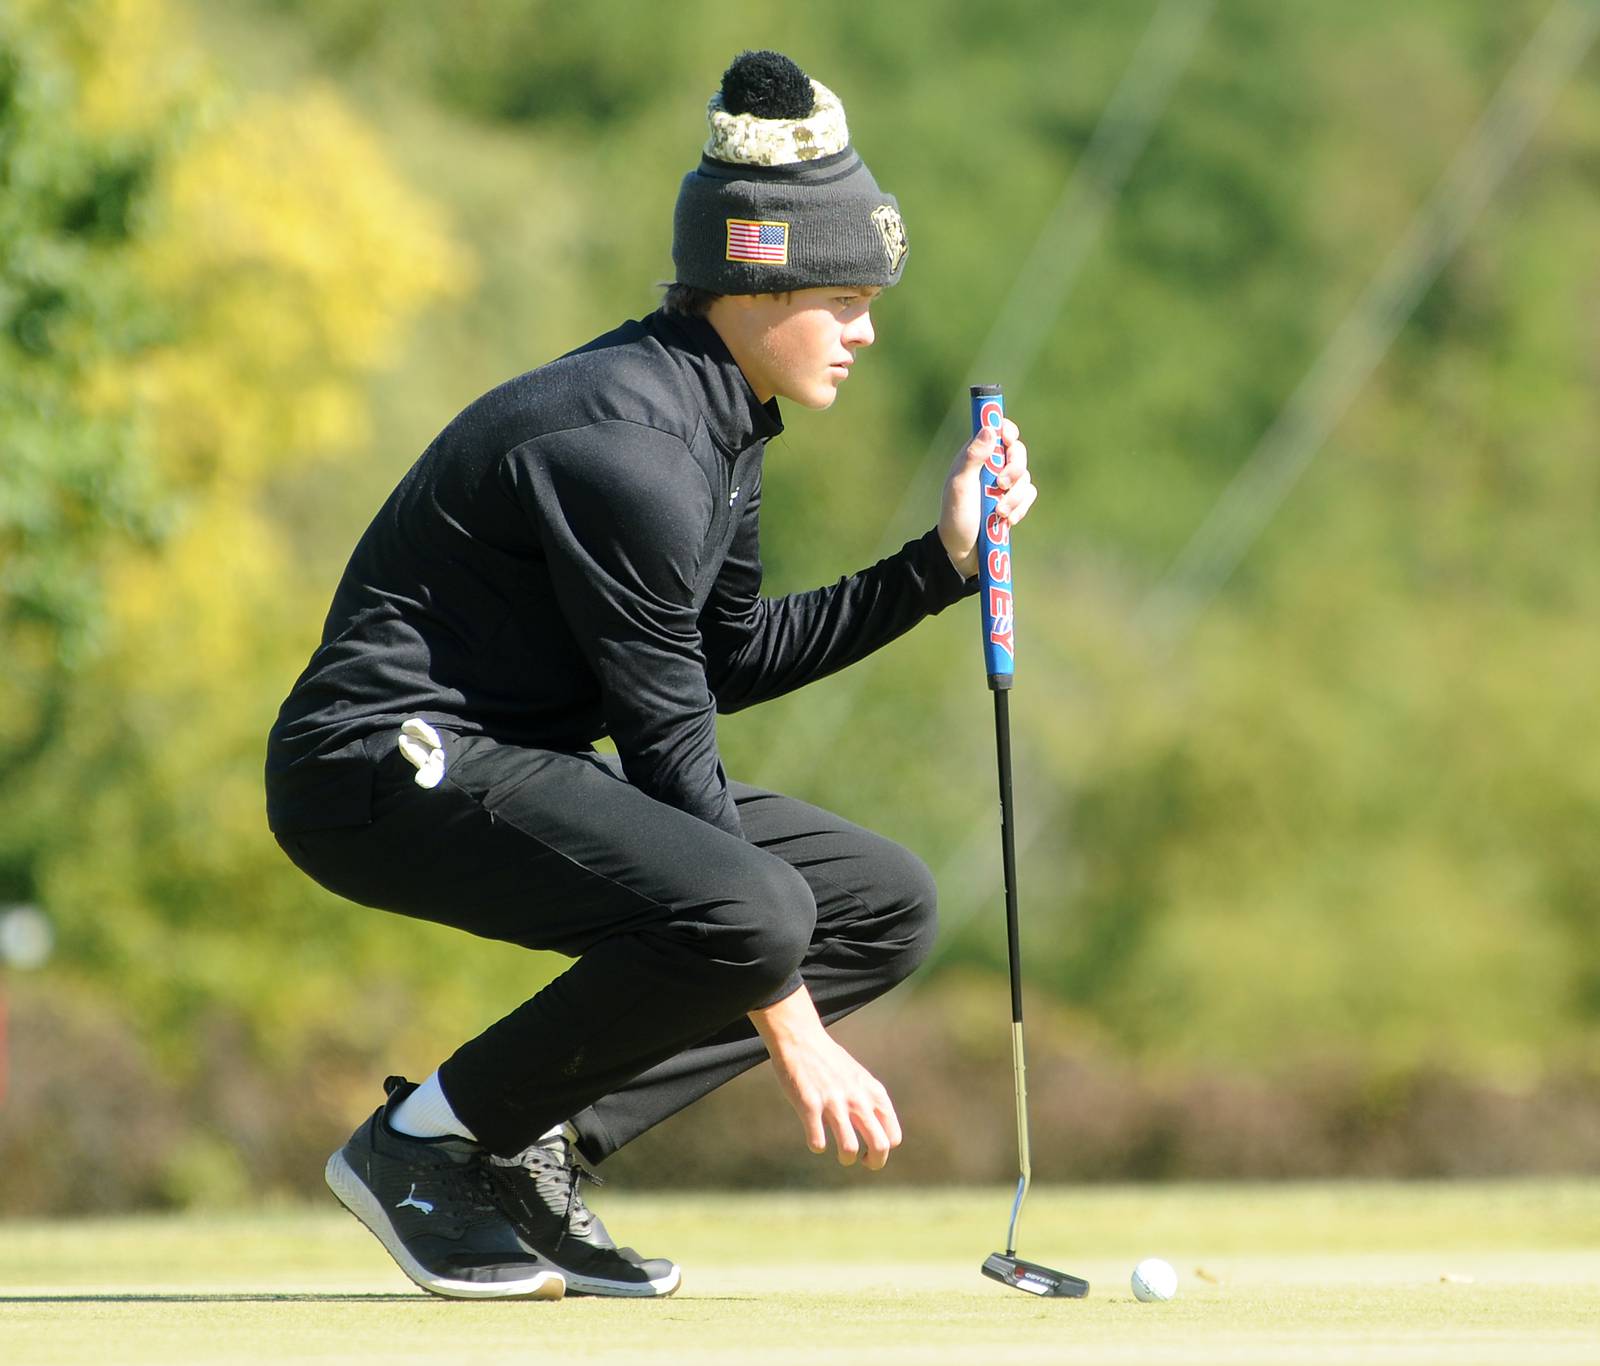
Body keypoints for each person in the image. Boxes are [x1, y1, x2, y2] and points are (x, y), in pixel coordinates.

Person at [265, 49, 1037, 1301]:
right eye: (843, 298)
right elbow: (670, 751)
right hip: (373, 767)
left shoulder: (718, 420)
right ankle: (420, 1146)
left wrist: (941, 564)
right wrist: (795, 1030)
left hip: (510, 759)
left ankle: (528, 1143)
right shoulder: (632, 445)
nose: (865, 330)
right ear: (754, 281)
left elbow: (723, 661)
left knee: (877, 901)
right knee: (759, 911)